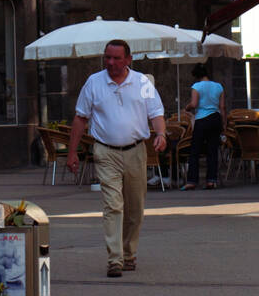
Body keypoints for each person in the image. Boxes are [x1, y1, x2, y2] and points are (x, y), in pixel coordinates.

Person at [67, 40, 166, 278]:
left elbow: (156, 113)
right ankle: (115, 259)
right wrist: (72, 152)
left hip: (135, 151)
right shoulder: (94, 82)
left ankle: (129, 253)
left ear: (128, 60)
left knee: (135, 208)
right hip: (105, 151)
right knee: (113, 205)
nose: (111, 63)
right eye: (107, 58)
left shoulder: (143, 82)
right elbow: (80, 118)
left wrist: (161, 133)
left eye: (116, 58)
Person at [182, 64, 225, 190]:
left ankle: (192, 181)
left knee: (195, 150)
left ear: (196, 76)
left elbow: (194, 104)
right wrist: (224, 123)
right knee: (212, 150)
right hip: (216, 118)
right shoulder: (219, 86)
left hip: (202, 119)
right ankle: (211, 180)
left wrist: (187, 107)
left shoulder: (197, 86)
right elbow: (222, 107)